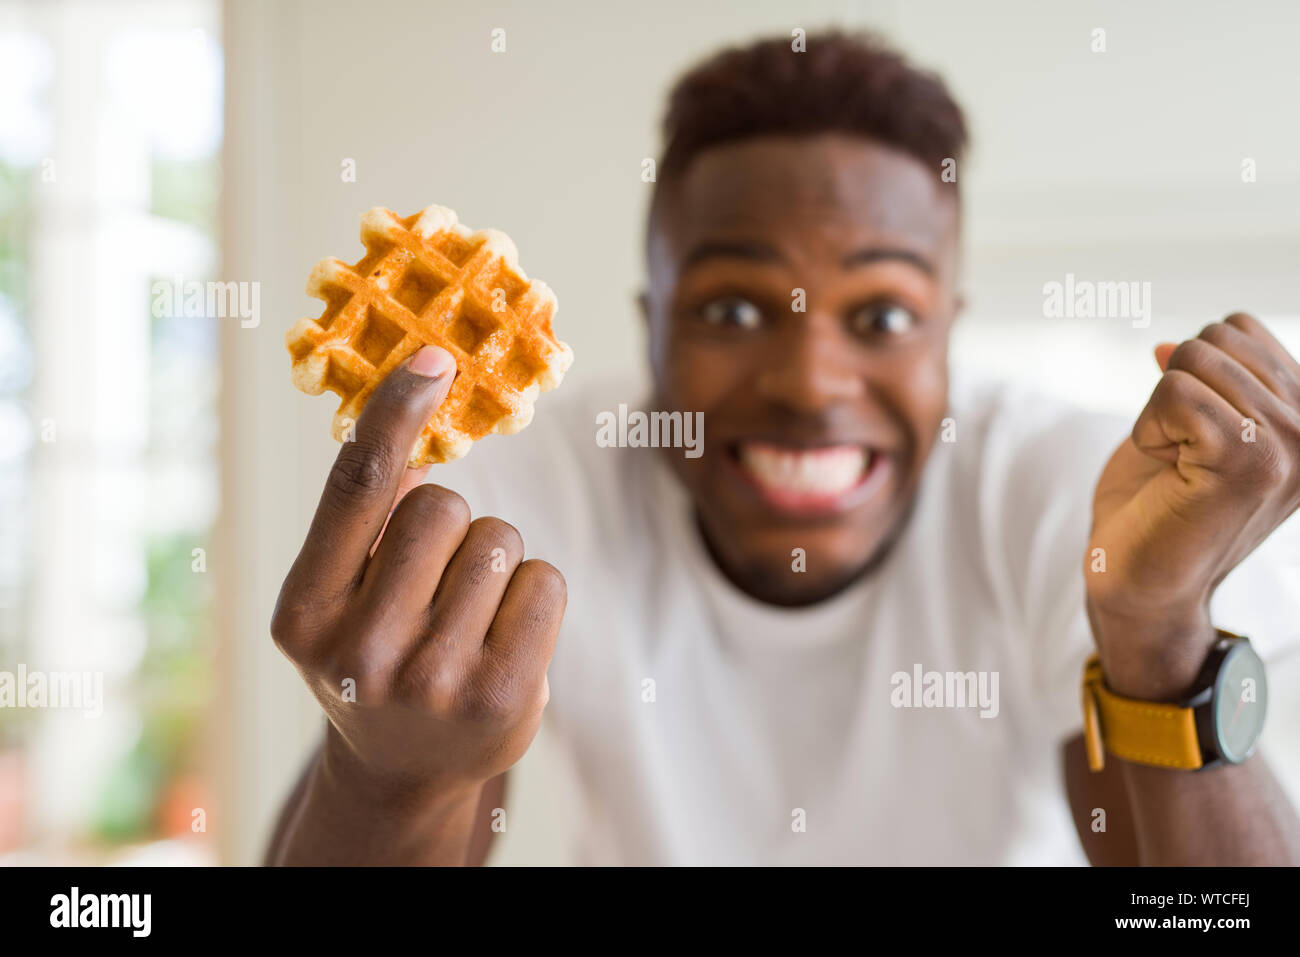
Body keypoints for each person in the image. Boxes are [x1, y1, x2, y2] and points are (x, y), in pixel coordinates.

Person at [265, 32, 1300, 865]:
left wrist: (1158, 634)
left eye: (884, 317)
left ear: (951, 332)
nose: (809, 384)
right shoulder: (526, 501)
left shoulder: (1065, 499)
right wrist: (385, 774)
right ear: (649, 323)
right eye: (729, 307)